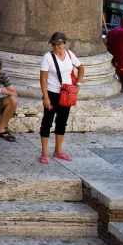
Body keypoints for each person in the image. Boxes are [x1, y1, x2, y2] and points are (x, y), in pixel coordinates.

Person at [38, 32, 84, 164]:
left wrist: (78, 85)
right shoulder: (47, 57)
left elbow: (81, 68)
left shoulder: (70, 54)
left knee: (62, 122)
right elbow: (43, 79)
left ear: (64, 43)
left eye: (59, 44)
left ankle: (58, 150)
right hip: (52, 92)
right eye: (54, 44)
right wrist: (46, 98)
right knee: (47, 121)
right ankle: (44, 153)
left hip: (66, 93)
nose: (56, 47)